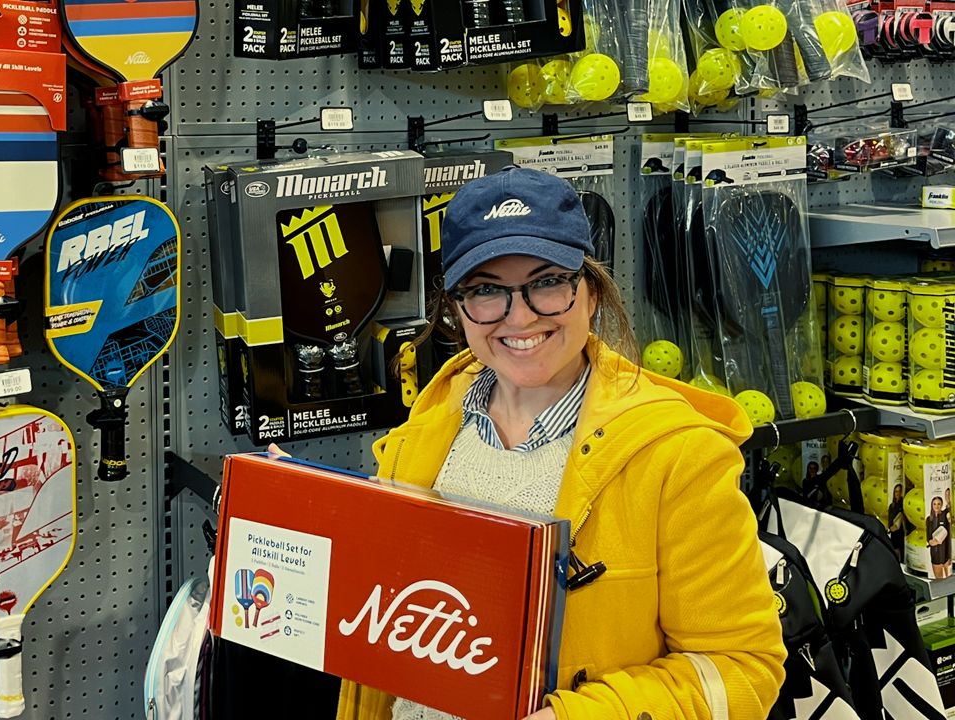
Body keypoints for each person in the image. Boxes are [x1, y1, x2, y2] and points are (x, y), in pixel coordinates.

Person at [332, 168, 785, 719]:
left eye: (547, 282)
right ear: (456, 308)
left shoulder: (678, 456)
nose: (519, 317)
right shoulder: (425, 429)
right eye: (486, 291)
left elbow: (743, 668)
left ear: (591, 292)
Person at [929, 496, 951, 579]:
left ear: (941, 505)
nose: (936, 506)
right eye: (934, 504)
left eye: (939, 504)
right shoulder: (929, 519)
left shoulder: (945, 514)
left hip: (946, 551)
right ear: (932, 505)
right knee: (939, 580)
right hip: (935, 553)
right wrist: (931, 542)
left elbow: (949, 507)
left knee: (948, 579)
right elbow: (929, 537)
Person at [889, 483, 906, 560]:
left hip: (901, 532)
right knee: (894, 548)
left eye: (899, 491)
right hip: (893, 531)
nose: (897, 493)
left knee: (901, 549)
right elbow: (890, 519)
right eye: (896, 491)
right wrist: (890, 527)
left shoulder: (903, 504)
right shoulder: (892, 506)